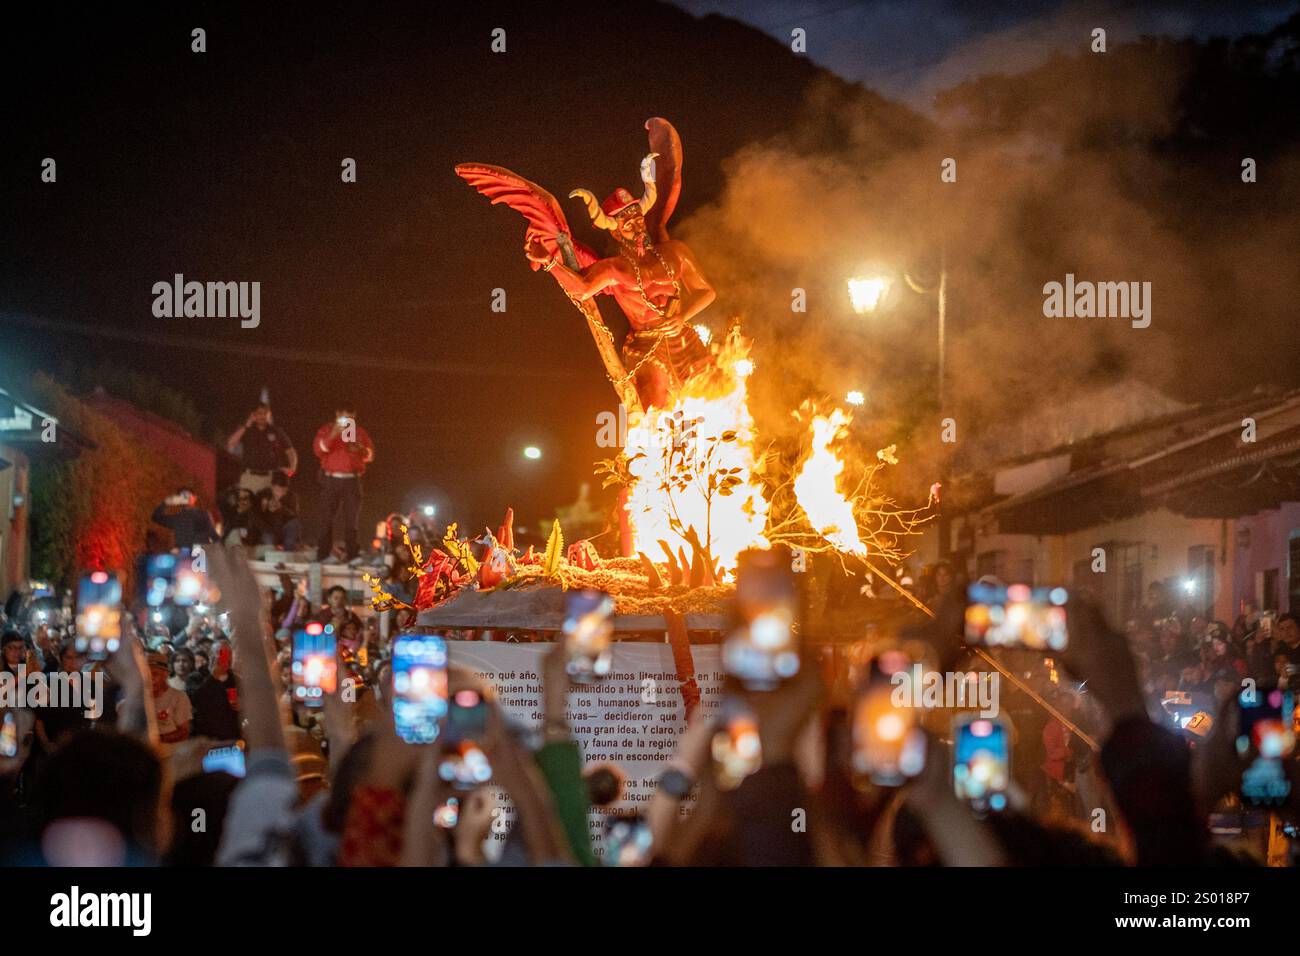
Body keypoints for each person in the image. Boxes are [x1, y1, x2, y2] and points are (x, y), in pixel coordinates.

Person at [313, 408, 375, 563]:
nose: (346, 420)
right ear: (337, 415)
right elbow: (319, 450)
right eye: (343, 417)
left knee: (351, 520)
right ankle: (324, 555)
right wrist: (334, 433)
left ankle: (352, 555)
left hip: (352, 480)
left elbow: (370, 455)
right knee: (326, 518)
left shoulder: (359, 432)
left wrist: (361, 449)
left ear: (354, 417)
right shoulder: (326, 430)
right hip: (331, 479)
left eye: (350, 417)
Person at [226, 403, 298, 494]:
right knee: (246, 506)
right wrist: (246, 426)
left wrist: (292, 468)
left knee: (269, 507)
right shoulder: (248, 430)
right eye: (259, 413)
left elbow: (290, 451)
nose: (262, 416)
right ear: (254, 415)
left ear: (269, 414)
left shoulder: (276, 431)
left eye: (265, 413)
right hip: (249, 477)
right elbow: (230, 443)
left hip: (270, 479)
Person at [190, 640, 241, 740]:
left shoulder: (236, 680)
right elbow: (195, 699)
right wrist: (213, 677)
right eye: (220, 652)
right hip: (206, 736)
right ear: (210, 654)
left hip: (231, 736)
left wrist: (242, 705)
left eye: (228, 654)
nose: (224, 657)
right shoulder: (196, 677)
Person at [151, 488, 217, 552]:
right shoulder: (204, 515)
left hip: (187, 557)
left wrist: (165, 503)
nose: (186, 498)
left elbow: (156, 517)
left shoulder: (177, 519)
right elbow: (214, 537)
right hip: (198, 556)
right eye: (183, 496)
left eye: (187, 496)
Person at [256, 471, 302, 550]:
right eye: (277, 490)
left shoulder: (292, 497)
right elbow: (256, 515)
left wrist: (281, 508)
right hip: (268, 529)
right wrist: (263, 508)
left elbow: (295, 515)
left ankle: (288, 552)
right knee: (268, 541)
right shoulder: (263, 494)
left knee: (294, 524)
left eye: (283, 490)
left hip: (284, 529)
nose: (279, 493)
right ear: (272, 487)